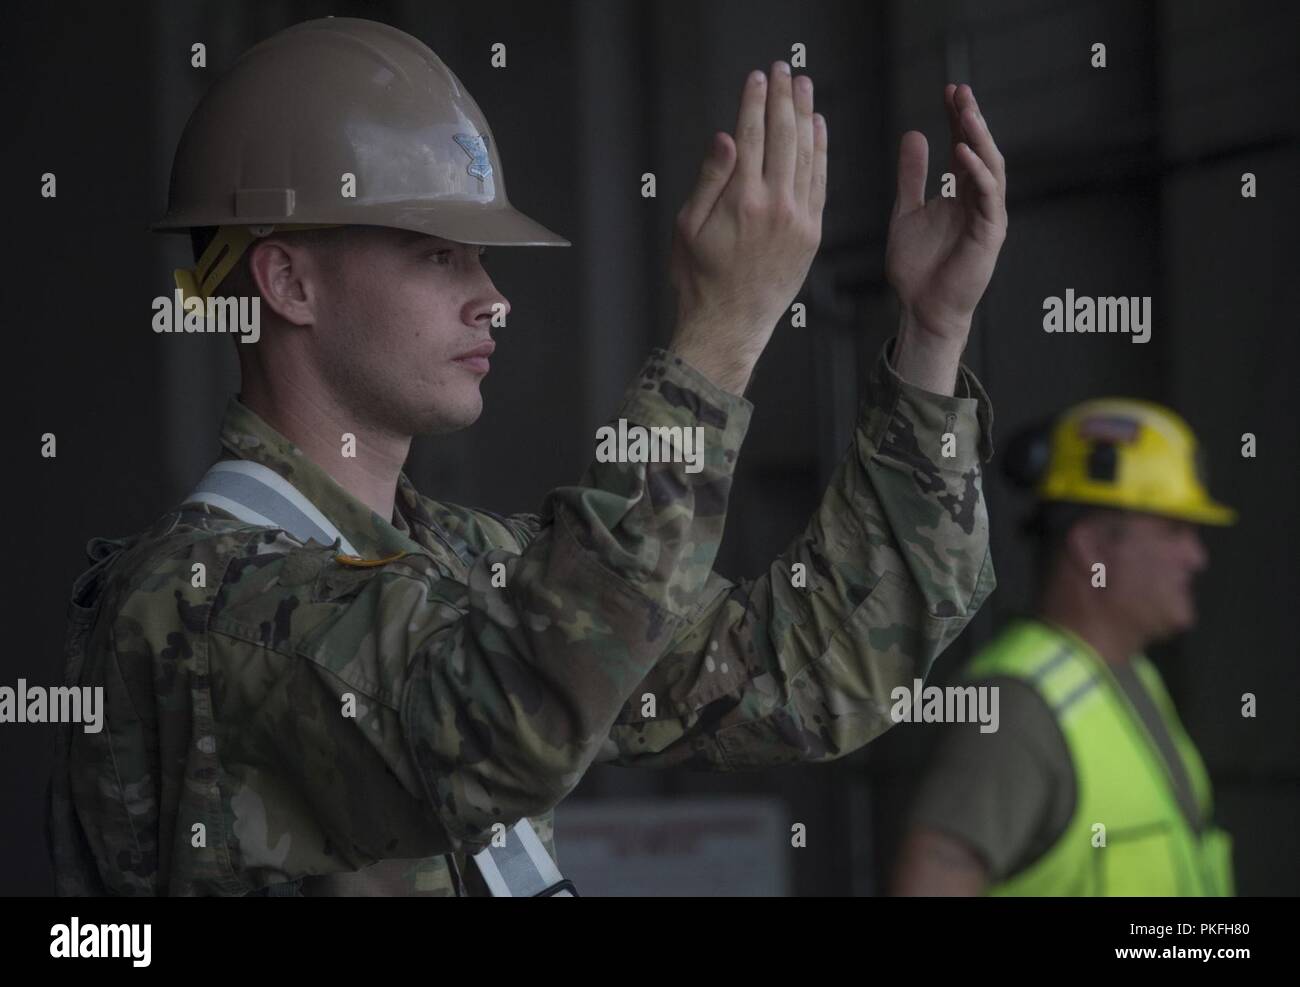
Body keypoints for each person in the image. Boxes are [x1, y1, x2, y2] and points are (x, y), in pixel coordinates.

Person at [48, 16, 1008, 895]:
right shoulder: (196, 603)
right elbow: (500, 724)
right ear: (289, 281)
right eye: (439, 254)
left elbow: (816, 672)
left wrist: (930, 335)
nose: (492, 298)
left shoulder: (460, 567)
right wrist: (719, 335)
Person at [893, 399, 1235, 896]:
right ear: (1093, 547)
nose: (1196, 556)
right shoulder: (1017, 709)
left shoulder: (1136, 677)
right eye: (1173, 530)